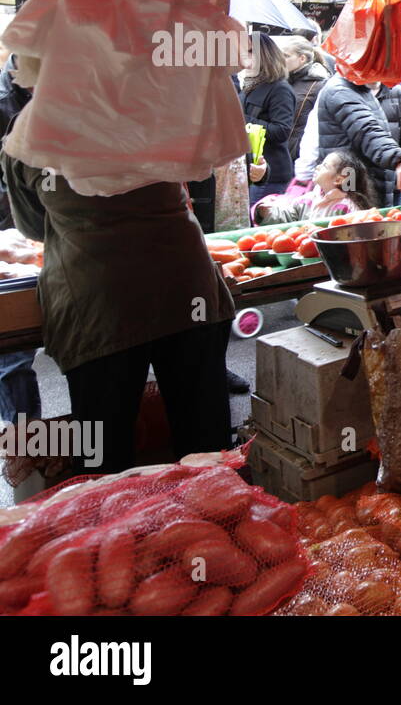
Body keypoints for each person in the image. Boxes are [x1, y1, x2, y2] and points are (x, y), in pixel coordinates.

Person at [1, 70, 236, 475]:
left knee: (104, 451)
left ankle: (121, 532)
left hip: (100, 299)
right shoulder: (151, 106)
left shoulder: (29, 130)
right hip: (185, 283)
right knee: (207, 441)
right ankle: (220, 522)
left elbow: (31, 226)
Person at [0, 51, 39, 428]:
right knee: (13, 356)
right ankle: (28, 447)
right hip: (11, 235)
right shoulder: (4, 106)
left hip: (49, 238)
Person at [314, 73, 401, 209]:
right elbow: (367, 130)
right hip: (351, 185)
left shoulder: (361, 88)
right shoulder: (340, 90)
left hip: (372, 182)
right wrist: (399, 159)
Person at [241, 32, 297, 204]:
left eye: (250, 51)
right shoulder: (249, 85)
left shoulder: (280, 89)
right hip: (251, 172)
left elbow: (282, 131)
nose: (244, 56)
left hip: (271, 175)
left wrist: (241, 119)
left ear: (264, 55)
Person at [253, 150, 375, 225]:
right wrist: (267, 213)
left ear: (339, 179)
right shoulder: (307, 199)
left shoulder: (346, 207)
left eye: (325, 166)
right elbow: (290, 216)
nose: (317, 167)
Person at [281, 36, 331, 163]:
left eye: (286, 56)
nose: (281, 60)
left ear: (302, 58)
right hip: (279, 153)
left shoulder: (319, 85)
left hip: (300, 157)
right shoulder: (281, 81)